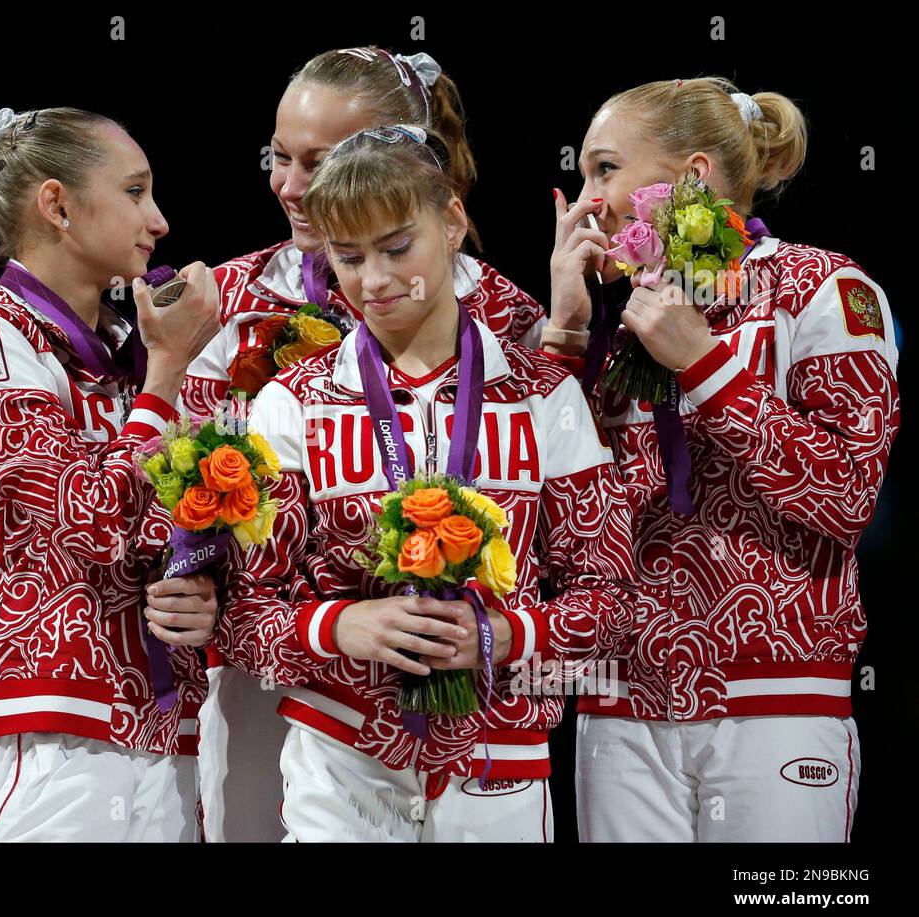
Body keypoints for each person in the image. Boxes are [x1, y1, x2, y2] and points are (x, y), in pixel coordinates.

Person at [218, 125, 637, 841]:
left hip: (498, 760)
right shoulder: (292, 400)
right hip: (342, 758)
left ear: (451, 222)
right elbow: (240, 611)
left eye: (395, 248)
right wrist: (341, 624)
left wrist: (504, 633)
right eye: (348, 258)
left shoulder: (543, 397)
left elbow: (613, 600)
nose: (373, 281)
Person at [186, 45, 548, 842]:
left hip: (454, 683)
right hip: (268, 656)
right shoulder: (222, 297)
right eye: (277, 156)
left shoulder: (505, 315)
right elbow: (182, 496)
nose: (286, 185)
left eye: (316, 161)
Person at [544, 77, 900, 841]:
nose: (585, 201)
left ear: (693, 177)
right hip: (621, 700)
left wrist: (704, 364)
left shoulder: (820, 286)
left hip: (776, 696)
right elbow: (548, 514)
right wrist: (567, 336)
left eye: (605, 170)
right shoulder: (616, 322)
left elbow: (846, 495)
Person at [0, 105, 221, 841]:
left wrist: (206, 583)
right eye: (134, 192)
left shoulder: (130, 350)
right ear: (56, 205)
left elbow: (190, 522)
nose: (159, 221)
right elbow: (89, 516)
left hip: (167, 725)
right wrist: (170, 375)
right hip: (53, 733)